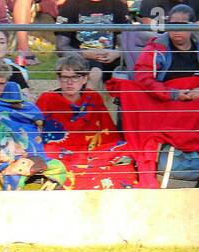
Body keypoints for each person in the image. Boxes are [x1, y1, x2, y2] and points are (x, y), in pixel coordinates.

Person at [110, 3, 199, 187]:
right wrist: (172, 93)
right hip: (168, 99)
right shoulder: (156, 47)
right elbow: (143, 77)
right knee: (131, 90)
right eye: (172, 25)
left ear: (192, 27)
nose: (176, 30)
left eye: (182, 26)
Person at [38, 52, 137, 187]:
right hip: (59, 150)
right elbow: (36, 131)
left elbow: (108, 131)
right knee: (48, 154)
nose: (70, 82)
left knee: (124, 151)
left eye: (76, 77)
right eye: (65, 77)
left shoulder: (93, 97)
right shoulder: (47, 99)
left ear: (85, 79)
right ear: (58, 78)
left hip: (93, 150)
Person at [0, 57, 68, 188]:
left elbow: (33, 113)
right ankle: (10, 166)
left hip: (19, 142)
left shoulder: (14, 94)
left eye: (1, 84)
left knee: (26, 126)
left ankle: (28, 163)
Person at [53, 0, 130, 90]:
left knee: (126, 71)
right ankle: (89, 98)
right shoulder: (70, 4)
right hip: (80, 58)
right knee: (95, 73)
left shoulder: (117, 4)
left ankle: (120, 98)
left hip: (110, 56)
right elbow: (61, 47)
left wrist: (117, 53)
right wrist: (84, 54)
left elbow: (127, 42)